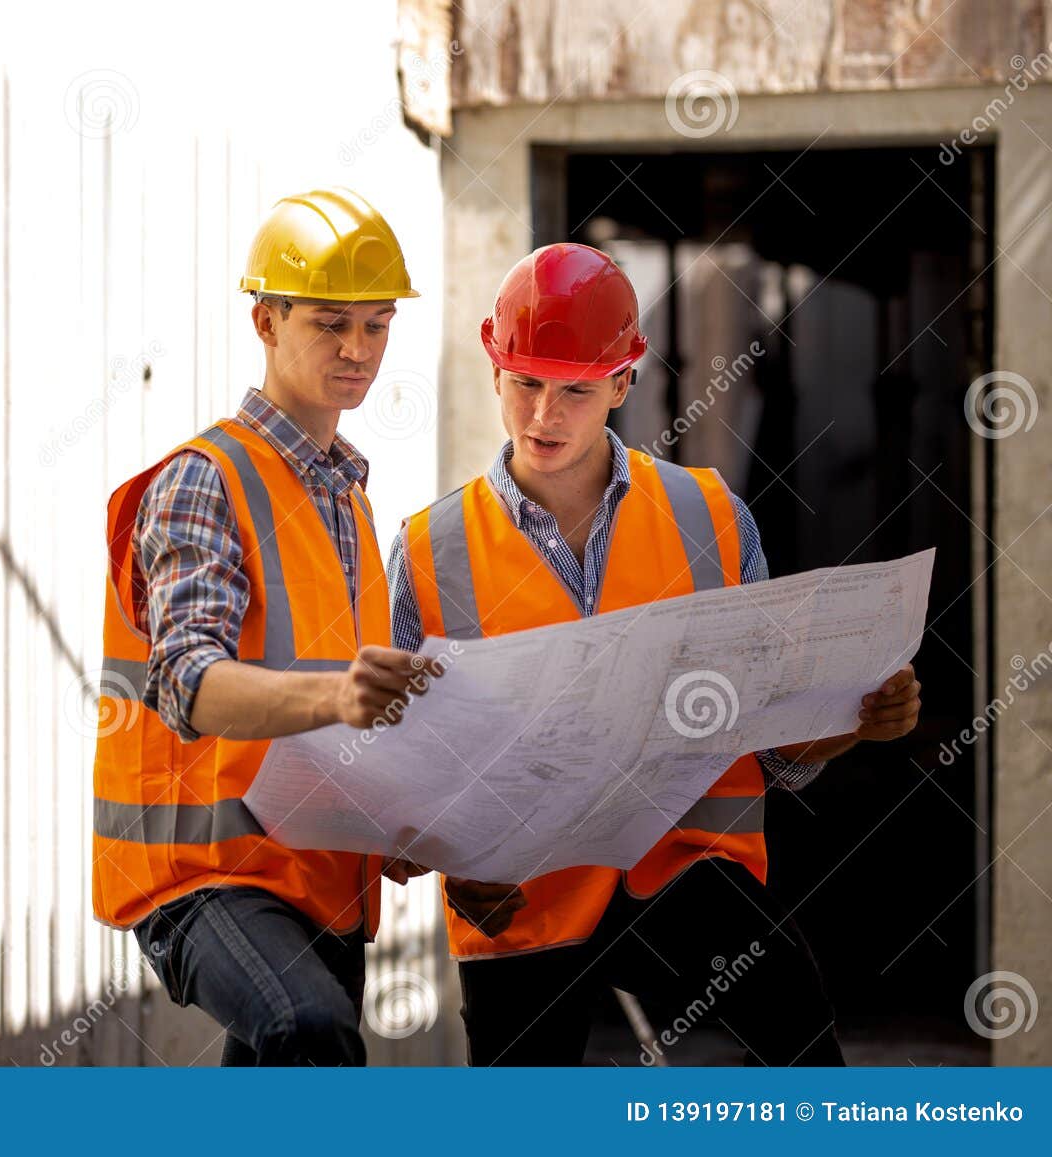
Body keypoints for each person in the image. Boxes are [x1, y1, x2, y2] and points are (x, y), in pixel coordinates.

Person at [387, 243, 922, 1066]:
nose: (543, 416)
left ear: (623, 382)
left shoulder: (710, 515)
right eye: (526, 382)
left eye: (574, 389)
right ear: (495, 371)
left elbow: (774, 750)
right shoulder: (431, 550)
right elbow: (404, 765)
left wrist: (855, 722)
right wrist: (451, 858)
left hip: (687, 873)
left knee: (801, 1032)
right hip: (522, 901)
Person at [92, 188, 436, 1065]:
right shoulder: (205, 480)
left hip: (321, 872)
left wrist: (399, 821)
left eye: (376, 324)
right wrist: (342, 694)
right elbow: (187, 681)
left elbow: (351, 713)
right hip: (206, 877)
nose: (358, 350)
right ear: (266, 320)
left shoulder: (349, 498)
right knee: (308, 1031)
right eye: (330, 324)